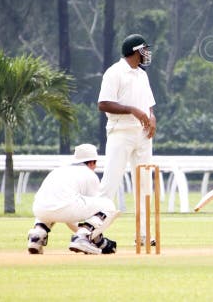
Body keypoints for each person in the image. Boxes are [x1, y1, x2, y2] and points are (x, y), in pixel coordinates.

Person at [97, 33, 157, 245]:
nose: (147, 53)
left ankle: (143, 234)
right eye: (144, 50)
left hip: (142, 135)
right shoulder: (114, 73)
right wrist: (132, 110)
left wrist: (151, 117)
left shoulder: (142, 74)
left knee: (144, 184)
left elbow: (148, 103)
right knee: (110, 183)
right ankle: (92, 231)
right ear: (135, 51)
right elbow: (103, 104)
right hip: (120, 133)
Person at [27, 143, 118, 255]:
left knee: (52, 202)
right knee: (108, 205)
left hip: (39, 210)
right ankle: (82, 238)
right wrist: (99, 241)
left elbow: (70, 216)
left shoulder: (58, 170)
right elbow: (90, 214)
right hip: (66, 208)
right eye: (95, 163)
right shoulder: (89, 174)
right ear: (91, 162)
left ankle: (37, 235)